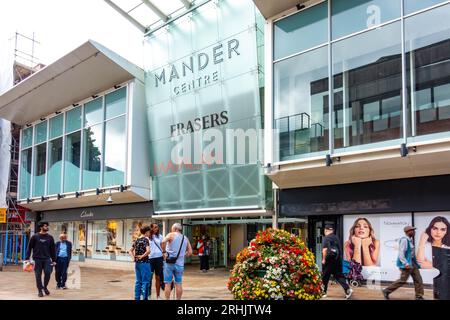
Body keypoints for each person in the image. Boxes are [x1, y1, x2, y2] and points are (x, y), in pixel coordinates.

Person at [383, 226, 424, 300]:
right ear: (408, 232)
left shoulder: (410, 240)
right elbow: (401, 253)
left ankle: (419, 296)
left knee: (418, 279)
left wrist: (416, 263)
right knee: (402, 280)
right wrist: (406, 264)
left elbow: (411, 254)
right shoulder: (404, 240)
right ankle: (386, 290)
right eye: (412, 230)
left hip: (412, 263)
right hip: (407, 264)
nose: (414, 232)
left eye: (414, 230)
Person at [24, 221, 57, 297]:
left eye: (47, 226)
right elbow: (29, 248)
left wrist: (54, 260)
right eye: (45, 226)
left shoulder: (50, 237)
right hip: (37, 259)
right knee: (38, 275)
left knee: (48, 273)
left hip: (47, 259)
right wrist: (27, 258)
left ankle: (45, 287)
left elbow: (53, 249)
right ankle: (40, 290)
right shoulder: (35, 237)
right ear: (41, 227)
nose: (47, 227)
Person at [161, 223, 193, 300]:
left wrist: (164, 252)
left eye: (172, 229)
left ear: (175, 229)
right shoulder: (185, 238)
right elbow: (190, 252)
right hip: (180, 265)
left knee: (168, 284)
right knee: (179, 284)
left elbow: (163, 242)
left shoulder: (171, 235)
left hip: (169, 263)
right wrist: (182, 255)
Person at [321, 224, 353, 299]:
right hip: (337, 260)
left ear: (326, 230)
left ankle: (323, 292)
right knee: (339, 276)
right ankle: (347, 289)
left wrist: (323, 259)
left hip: (329, 260)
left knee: (325, 276)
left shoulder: (326, 238)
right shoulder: (336, 238)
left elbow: (324, 250)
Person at [128, 225, 151, 300]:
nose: (149, 233)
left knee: (138, 281)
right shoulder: (146, 240)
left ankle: (137, 297)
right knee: (145, 282)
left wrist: (133, 258)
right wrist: (142, 256)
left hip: (137, 264)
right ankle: (145, 298)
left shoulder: (137, 240)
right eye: (149, 232)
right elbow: (148, 251)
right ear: (146, 232)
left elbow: (130, 251)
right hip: (145, 263)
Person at [149, 223, 165, 300]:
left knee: (158, 278)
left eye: (157, 227)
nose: (157, 229)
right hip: (150, 259)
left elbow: (163, 248)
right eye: (155, 227)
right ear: (151, 228)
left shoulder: (160, 236)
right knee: (149, 278)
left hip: (159, 258)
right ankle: (148, 296)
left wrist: (164, 256)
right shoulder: (148, 237)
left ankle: (158, 296)